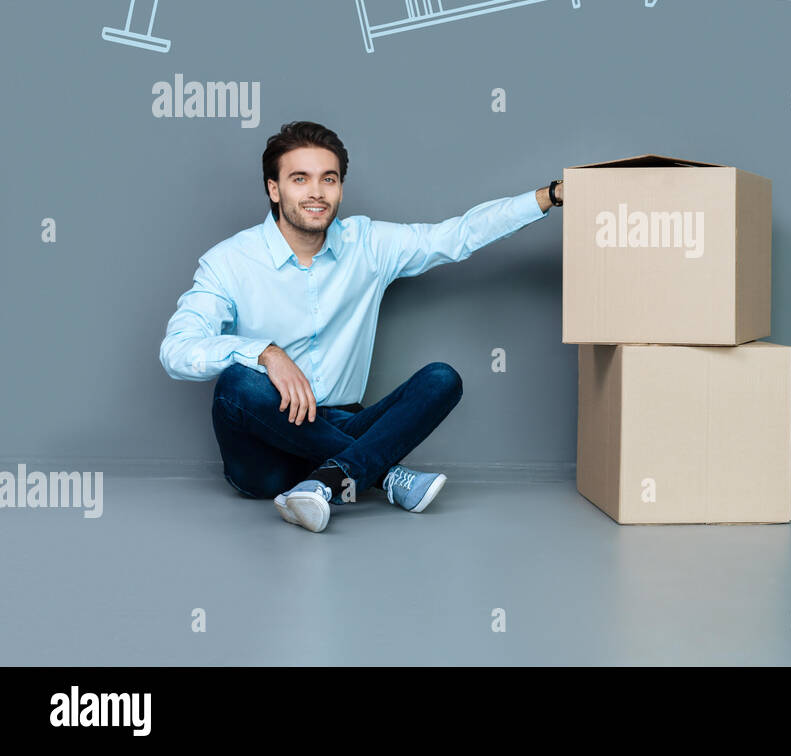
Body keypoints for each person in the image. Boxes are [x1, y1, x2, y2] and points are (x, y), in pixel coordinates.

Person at [159, 121, 563, 532]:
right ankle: (381, 473)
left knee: (442, 380)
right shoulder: (229, 261)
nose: (316, 192)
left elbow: (457, 236)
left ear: (339, 188)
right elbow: (177, 349)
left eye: (328, 179)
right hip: (266, 457)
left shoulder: (367, 244)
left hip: (344, 422)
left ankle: (328, 479)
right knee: (237, 384)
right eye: (300, 179)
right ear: (274, 189)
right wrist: (266, 353)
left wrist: (548, 196)